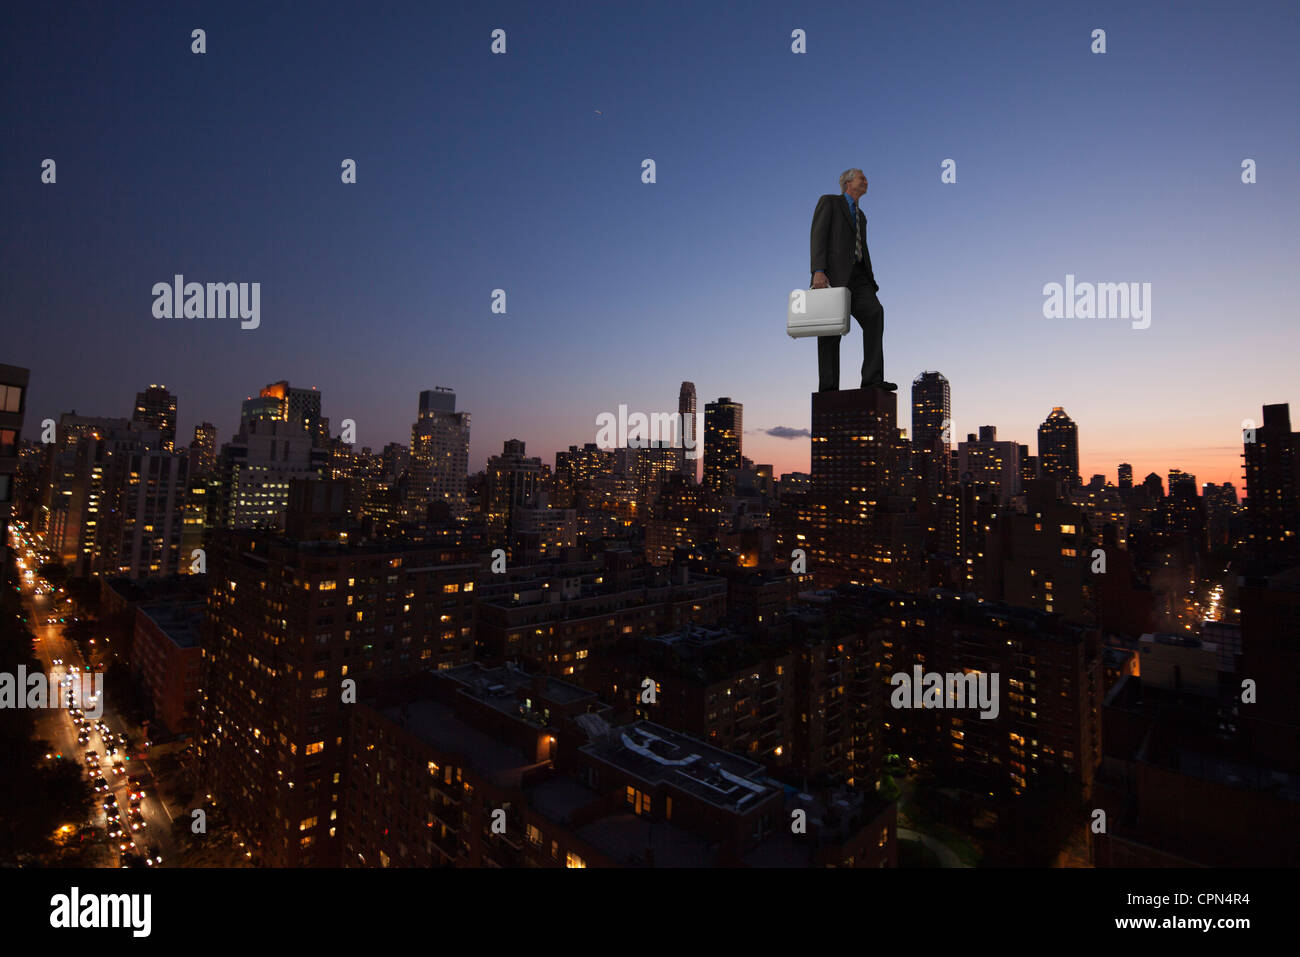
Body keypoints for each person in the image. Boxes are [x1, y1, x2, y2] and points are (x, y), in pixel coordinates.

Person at [809, 168, 895, 392]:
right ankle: (828, 389)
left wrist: (871, 279)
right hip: (832, 277)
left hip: (860, 278)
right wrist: (818, 270)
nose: (866, 181)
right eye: (862, 177)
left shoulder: (862, 216)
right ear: (848, 182)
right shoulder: (829, 202)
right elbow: (818, 235)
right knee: (830, 333)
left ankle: (872, 380)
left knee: (875, 314)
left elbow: (862, 248)